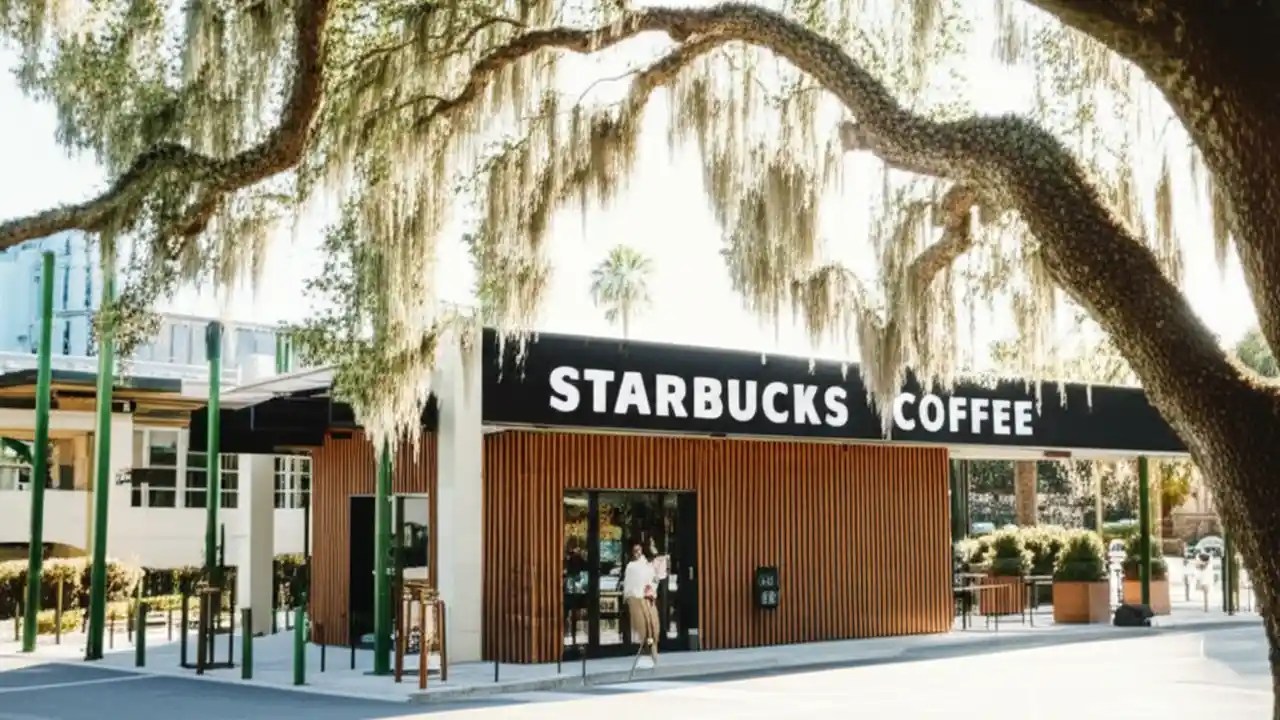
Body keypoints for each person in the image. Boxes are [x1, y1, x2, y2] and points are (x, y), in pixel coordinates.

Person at [621, 542, 659, 668]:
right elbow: (628, 583)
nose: (637, 553)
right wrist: (627, 597)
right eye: (634, 551)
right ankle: (646, 651)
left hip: (646, 599)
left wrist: (651, 589)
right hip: (636, 599)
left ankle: (652, 651)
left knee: (651, 627)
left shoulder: (647, 566)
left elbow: (654, 579)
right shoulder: (631, 567)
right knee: (643, 628)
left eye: (639, 550)